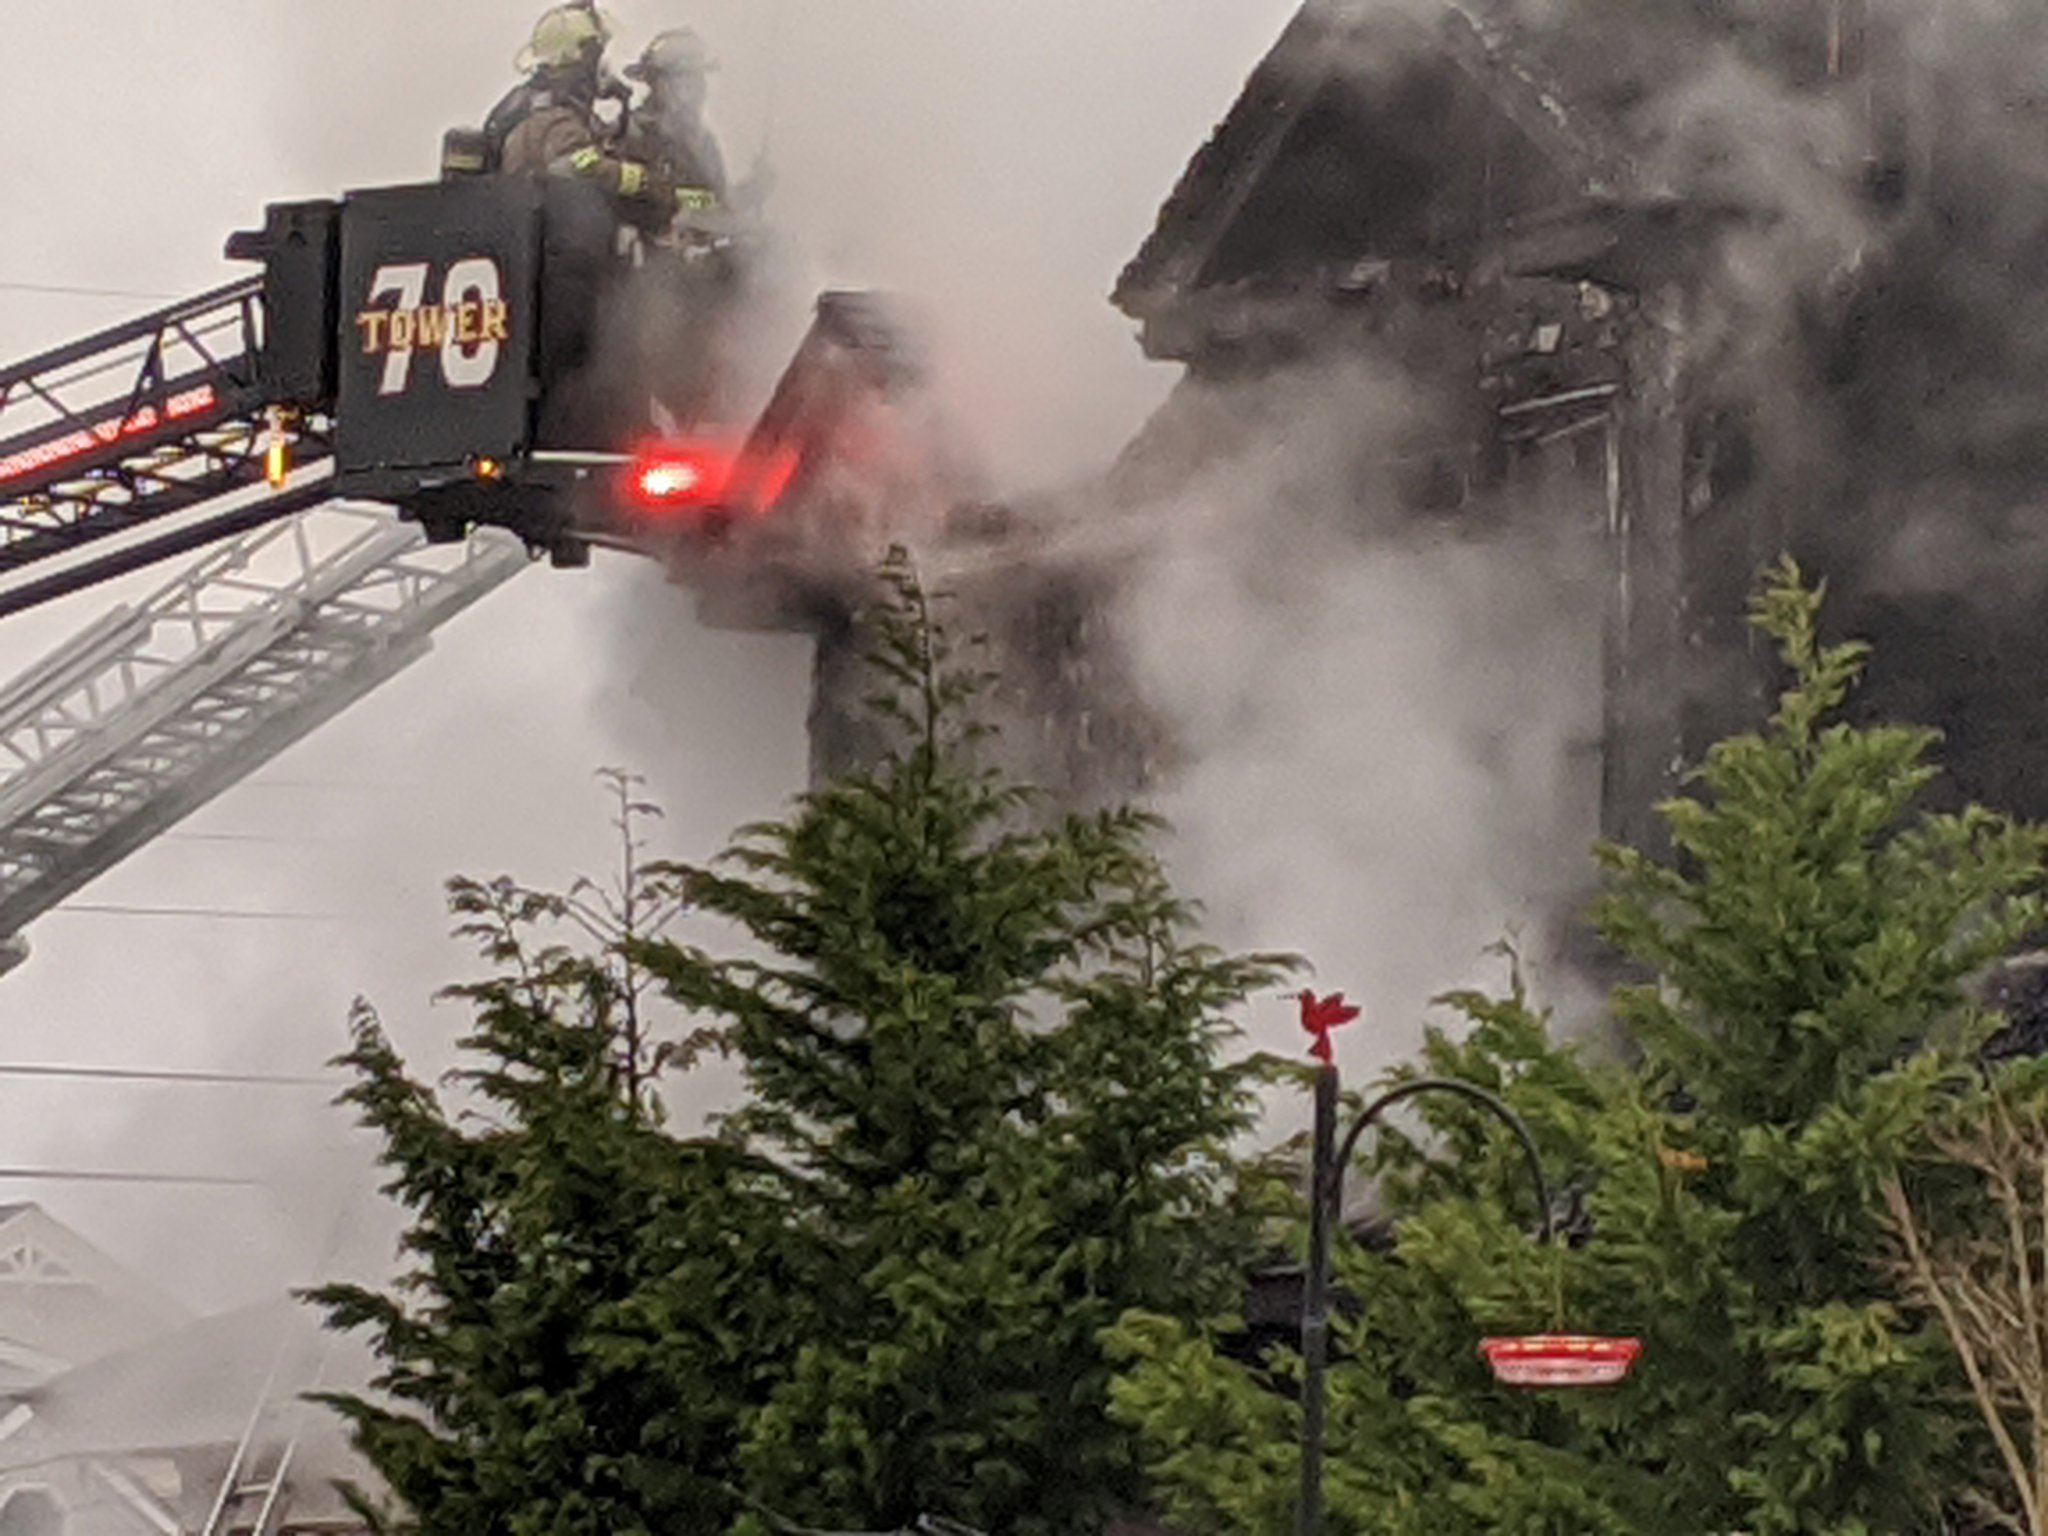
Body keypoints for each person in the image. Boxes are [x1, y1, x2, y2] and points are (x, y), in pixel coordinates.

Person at [484, 5, 679, 232]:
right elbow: (576, 165)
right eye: (598, 58)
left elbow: (597, 144)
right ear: (585, 60)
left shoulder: (540, 107)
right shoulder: (549, 119)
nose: (603, 69)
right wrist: (643, 180)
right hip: (559, 252)